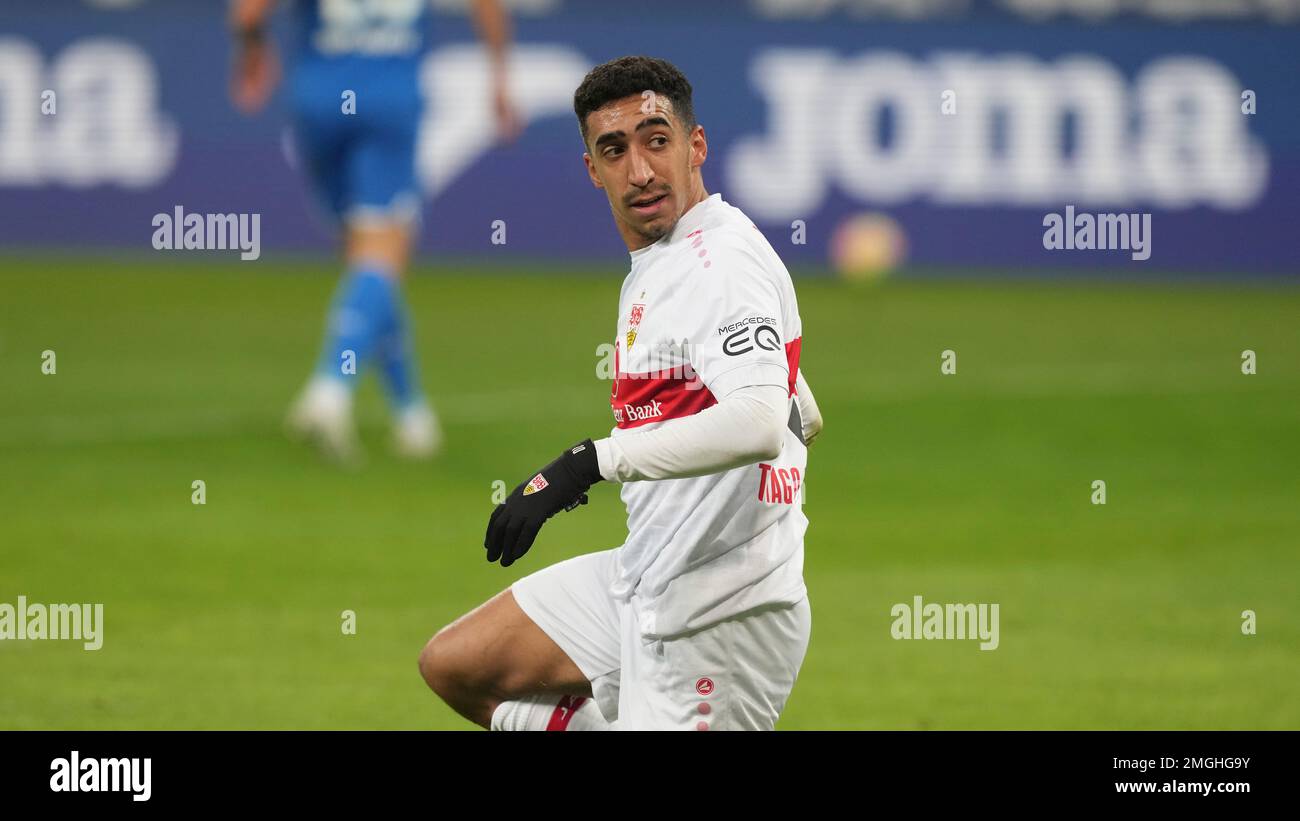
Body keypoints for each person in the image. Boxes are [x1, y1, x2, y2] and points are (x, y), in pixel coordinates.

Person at [419, 56, 825, 730]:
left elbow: (755, 421)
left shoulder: (717, 260)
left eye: (656, 140)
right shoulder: (662, 262)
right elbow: (780, 400)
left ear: (695, 147)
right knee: (458, 665)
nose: (639, 170)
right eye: (615, 149)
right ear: (592, 169)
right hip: (644, 579)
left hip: (721, 619)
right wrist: (794, 406)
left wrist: (587, 462)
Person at [228, 0, 517, 461]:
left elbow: (247, 13)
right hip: (387, 99)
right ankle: (330, 389)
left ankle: (412, 415)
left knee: (366, 260)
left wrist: (253, 54)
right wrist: (500, 76)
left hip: (316, 102)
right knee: (382, 257)